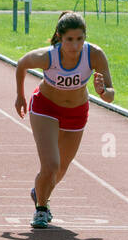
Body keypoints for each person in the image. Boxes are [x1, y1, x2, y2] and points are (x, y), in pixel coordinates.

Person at [13, 12, 114, 228]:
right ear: (59, 37)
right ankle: (41, 209)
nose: (75, 45)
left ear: (85, 37)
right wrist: (20, 96)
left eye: (80, 39)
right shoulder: (48, 56)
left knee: (61, 170)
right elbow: (22, 64)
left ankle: (39, 191)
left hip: (77, 111)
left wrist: (103, 91)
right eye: (69, 39)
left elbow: (111, 95)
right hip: (46, 109)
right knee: (51, 164)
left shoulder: (95, 55)